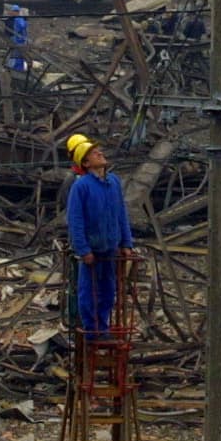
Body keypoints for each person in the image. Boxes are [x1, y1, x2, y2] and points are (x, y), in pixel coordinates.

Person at [64, 134, 133, 336]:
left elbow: (121, 213)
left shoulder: (113, 182)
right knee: (89, 292)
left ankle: (103, 328)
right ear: (85, 162)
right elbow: (75, 220)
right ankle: (93, 331)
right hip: (92, 251)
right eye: (95, 153)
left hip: (110, 248)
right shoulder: (81, 186)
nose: (100, 153)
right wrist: (83, 249)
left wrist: (126, 242)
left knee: (108, 291)